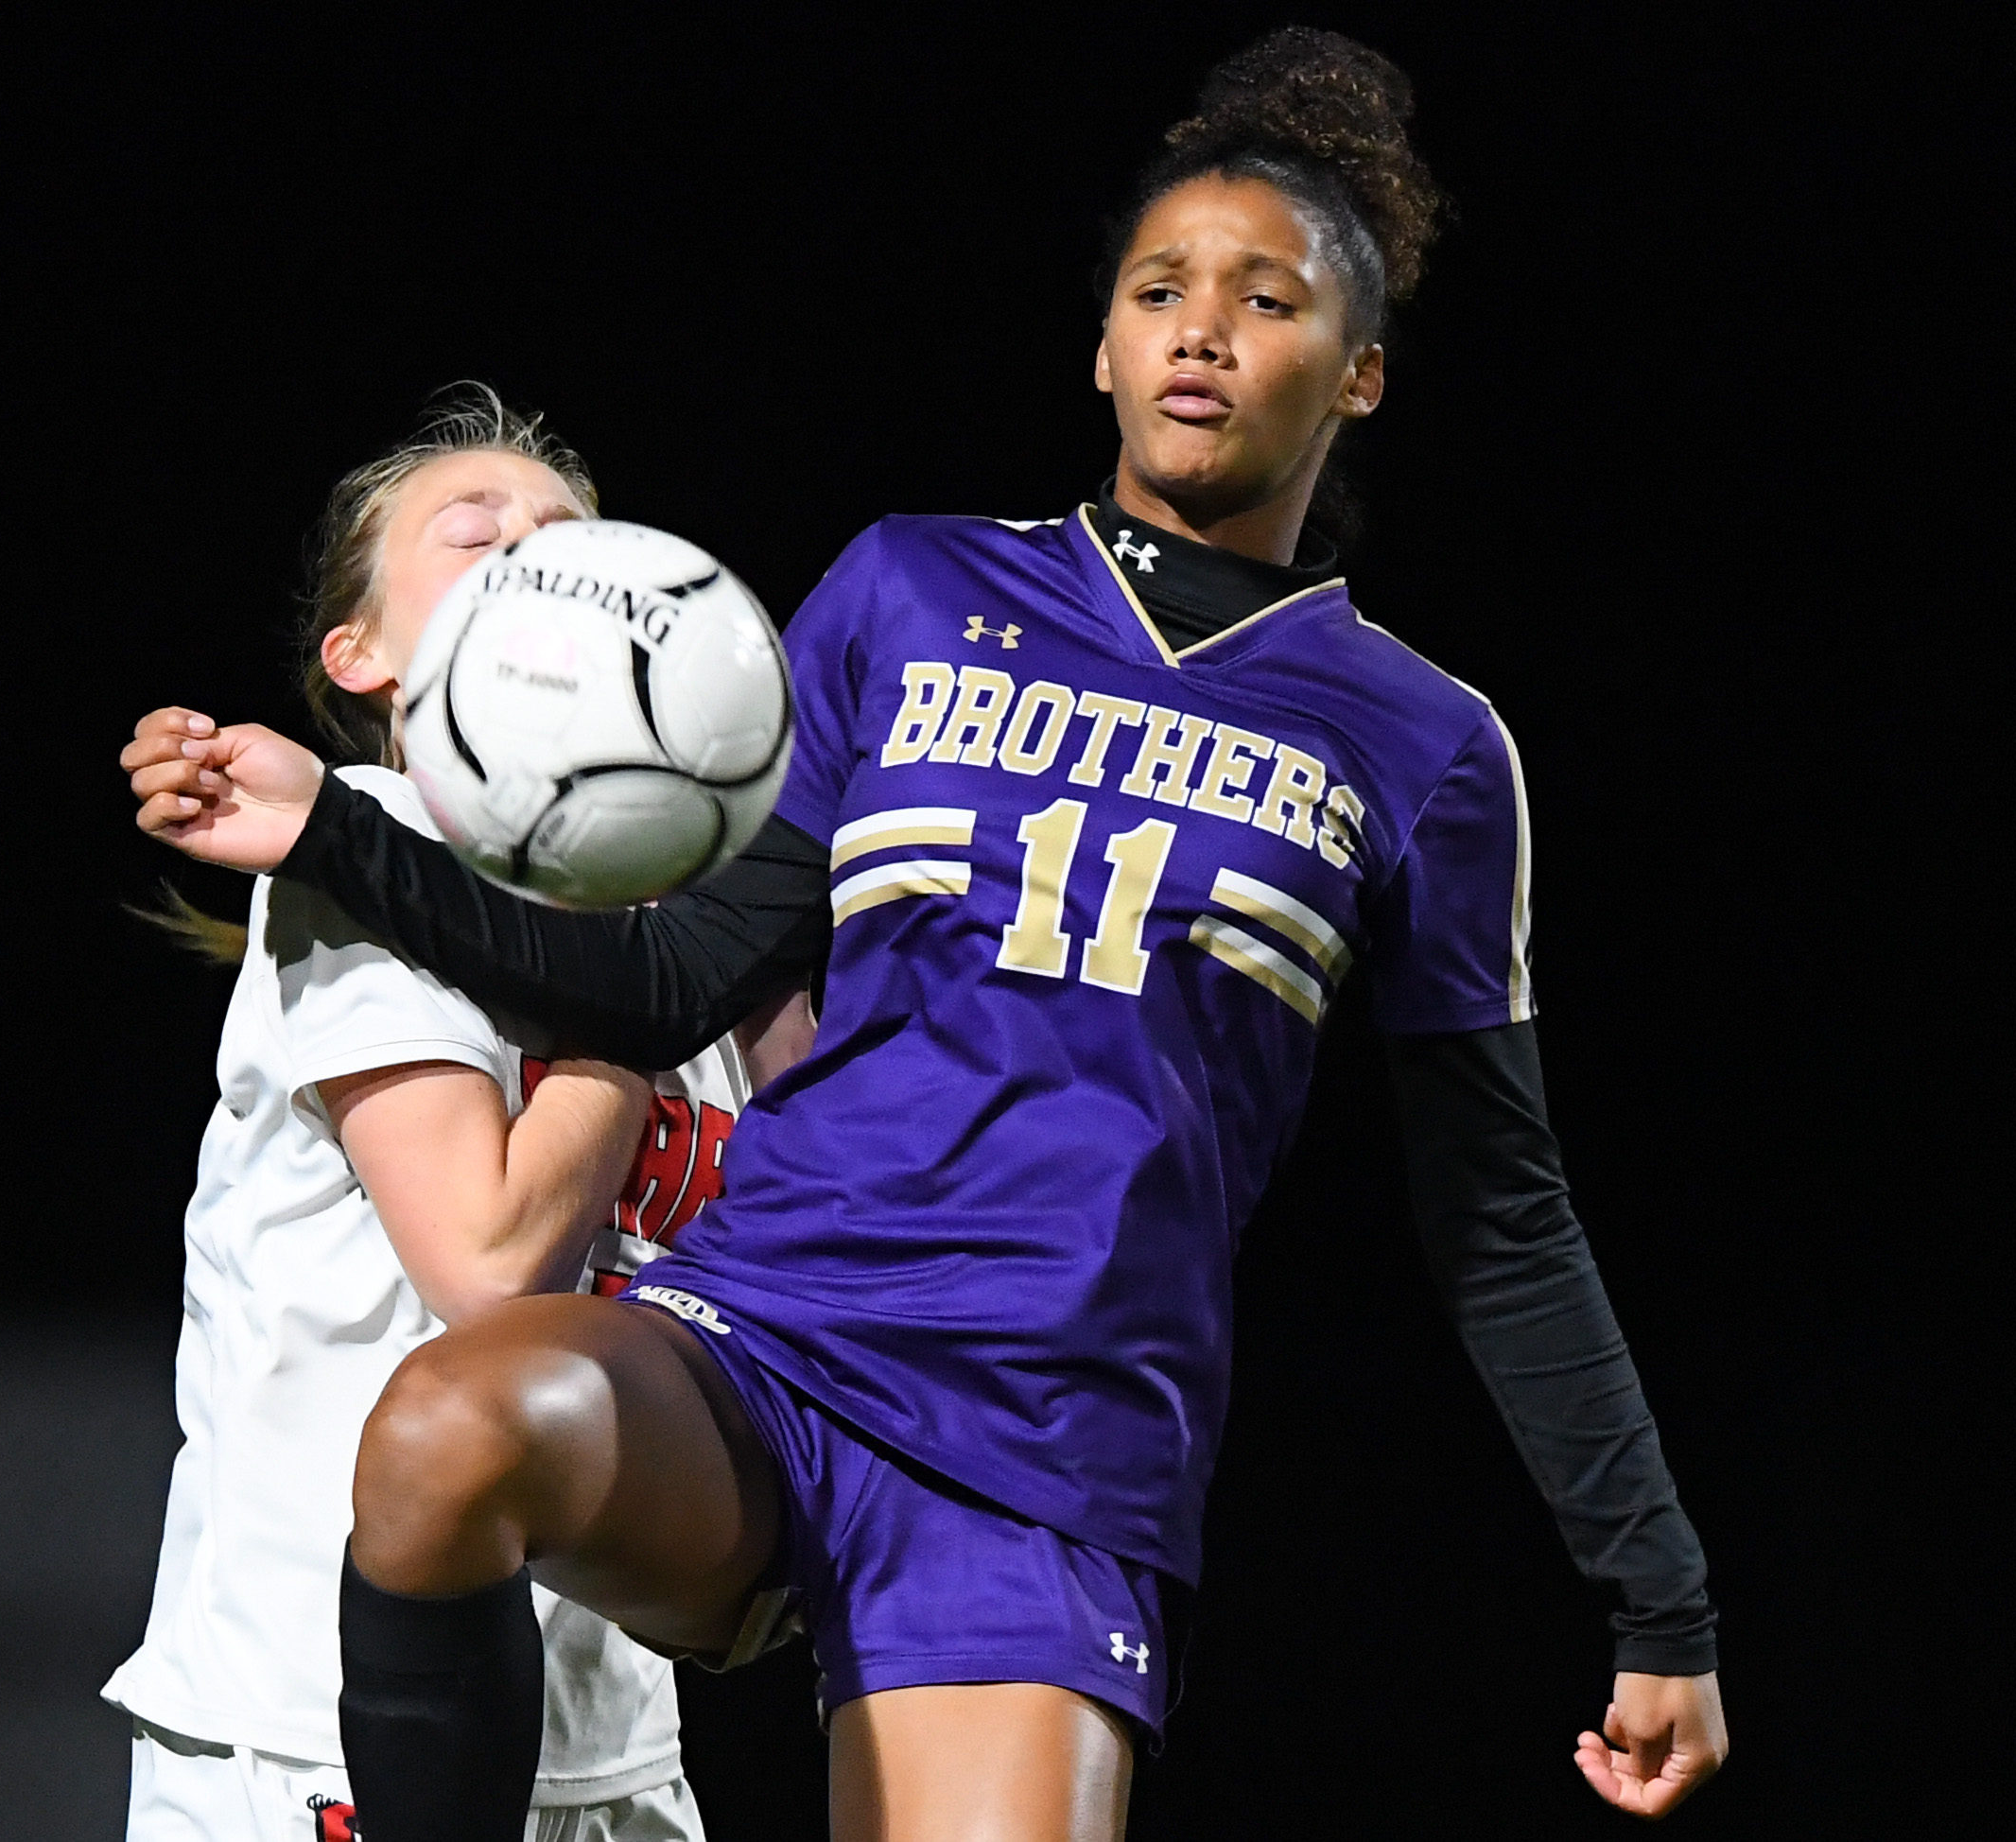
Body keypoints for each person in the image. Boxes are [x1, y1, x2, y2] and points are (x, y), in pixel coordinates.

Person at [123, 30, 1729, 1840]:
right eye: (1158, 290)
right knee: (444, 1433)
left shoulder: (1421, 742)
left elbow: (1499, 1216)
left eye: (1265, 300)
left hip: (1045, 1439)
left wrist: (1656, 1599)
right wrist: (334, 829)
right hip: (764, 1340)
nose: (1200, 331)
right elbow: (669, 978)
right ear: (1101, 347)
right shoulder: (911, 587)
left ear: (1357, 373)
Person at [103, 389, 809, 1842]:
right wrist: (640, 991)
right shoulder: (377, 837)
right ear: (359, 656)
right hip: (316, 1736)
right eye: (475, 537)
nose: (537, 560)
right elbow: (489, 1269)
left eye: (568, 539)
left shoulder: (687, 916)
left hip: (607, 1747)